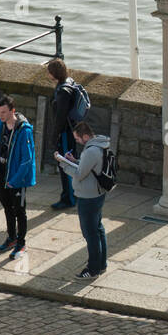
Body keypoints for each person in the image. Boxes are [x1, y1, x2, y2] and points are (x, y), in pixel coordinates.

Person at [54, 120, 111, 279]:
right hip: (97, 194)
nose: (77, 141)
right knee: (98, 229)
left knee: (90, 234)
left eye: (78, 139)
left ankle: (92, 269)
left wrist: (64, 165)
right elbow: (89, 167)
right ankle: (101, 264)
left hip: (89, 197)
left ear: (85, 136)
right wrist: (74, 161)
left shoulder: (91, 151)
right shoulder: (100, 144)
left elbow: (79, 174)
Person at [0, 95, 36, 260]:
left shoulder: (24, 131)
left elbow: (27, 160)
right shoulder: (2, 124)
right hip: (2, 174)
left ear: (12, 111)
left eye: (4, 112)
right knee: (7, 208)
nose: (1, 115)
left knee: (19, 211)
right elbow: (1, 144)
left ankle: (21, 243)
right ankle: (11, 238)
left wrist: (14, 180)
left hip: (16, 178)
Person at [47, 58, 78, 211]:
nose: (48, 75)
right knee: (67, 164)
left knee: (66, 166)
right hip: (68, 132)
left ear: (54, 73)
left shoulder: (63, 92)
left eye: (49, 72)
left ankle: (69, 198)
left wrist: (54, 136)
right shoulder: (68, 82)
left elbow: (60, 117)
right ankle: (69, 195)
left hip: (65, 133)